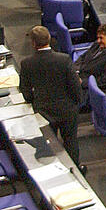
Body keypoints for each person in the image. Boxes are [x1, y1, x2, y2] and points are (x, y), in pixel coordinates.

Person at [20, 26, 83, 167]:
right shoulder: (64, 59)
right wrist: (77, 102)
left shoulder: (27, 63)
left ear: (33, 43)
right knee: (71, 141)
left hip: (44, 112)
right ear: (49, 39)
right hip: (67, 109)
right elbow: (74, 85)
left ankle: (54, 169)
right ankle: (76, 169)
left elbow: (25, 90)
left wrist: (33, 101)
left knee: (49, 144)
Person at [76, 23, 106, 95]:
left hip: (88, 89)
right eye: (98, 38)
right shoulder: (97, 44)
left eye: (101, 38)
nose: (98, 40)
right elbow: (83, 57)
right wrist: (75, 70)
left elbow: (103, 81)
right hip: (78, 76)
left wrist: (82, 82)